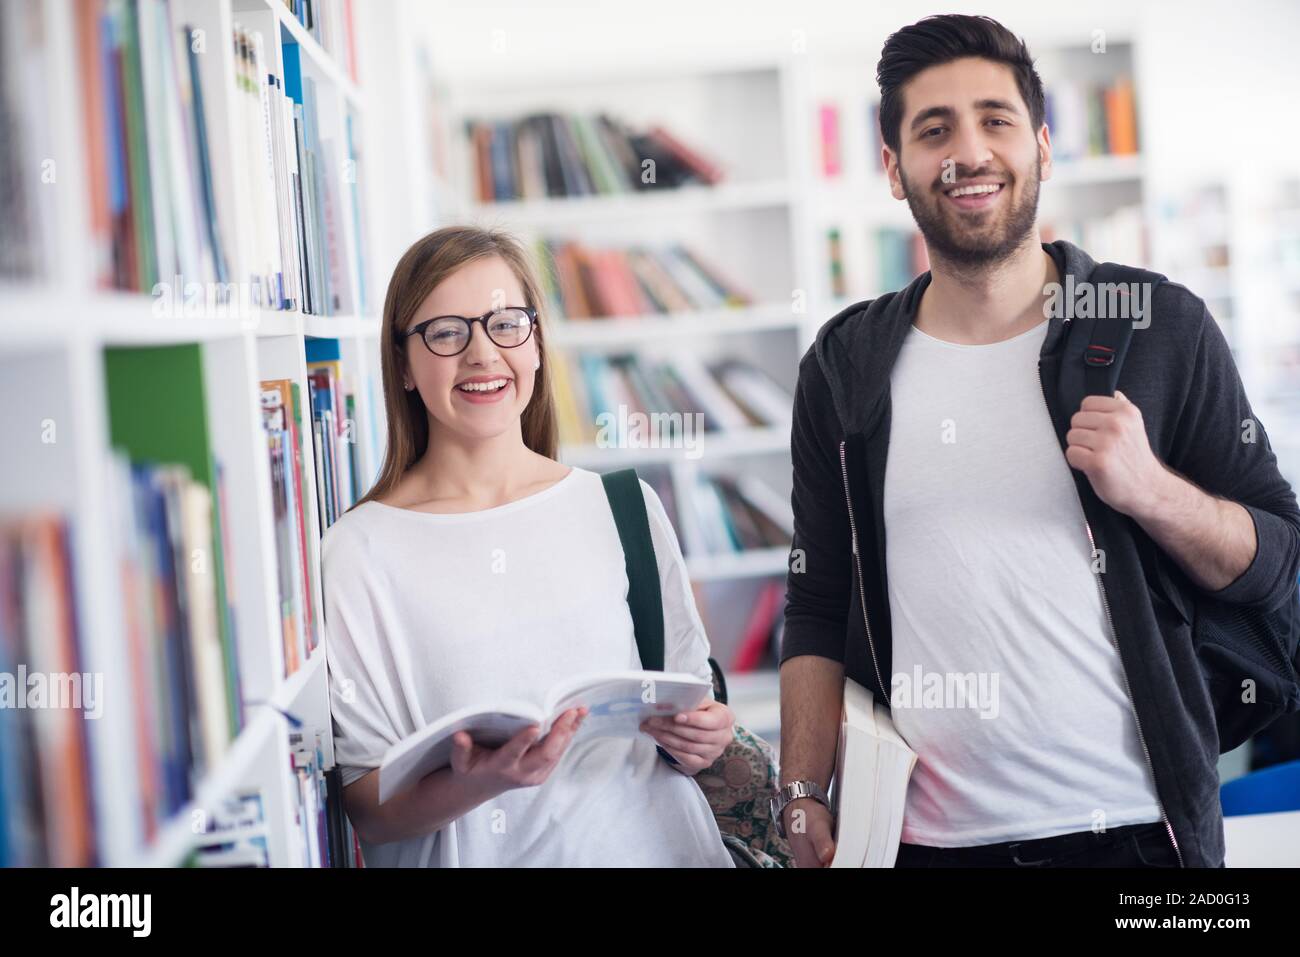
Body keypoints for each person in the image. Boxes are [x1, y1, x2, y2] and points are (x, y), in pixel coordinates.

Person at [776, 14, 1300, 868]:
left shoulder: (1159, 326)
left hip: (1142, 835)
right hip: (926, 844)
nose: (969, 151)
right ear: (894, 169)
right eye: (933, 129)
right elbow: (818, 599)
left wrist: (1155, 491)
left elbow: (1278, 560)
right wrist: (801, 792)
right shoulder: (845, 363)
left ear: (1043, 146)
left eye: (996, 119)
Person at [321, 225, 735, 867]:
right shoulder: (358, 551)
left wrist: (706, 736)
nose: (482, 354)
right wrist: (483, 780)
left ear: (537, 344)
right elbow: (367, 809)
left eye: (506, 323)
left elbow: (690, 704)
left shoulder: (624, 508)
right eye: (446, 332)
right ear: (403, 363)